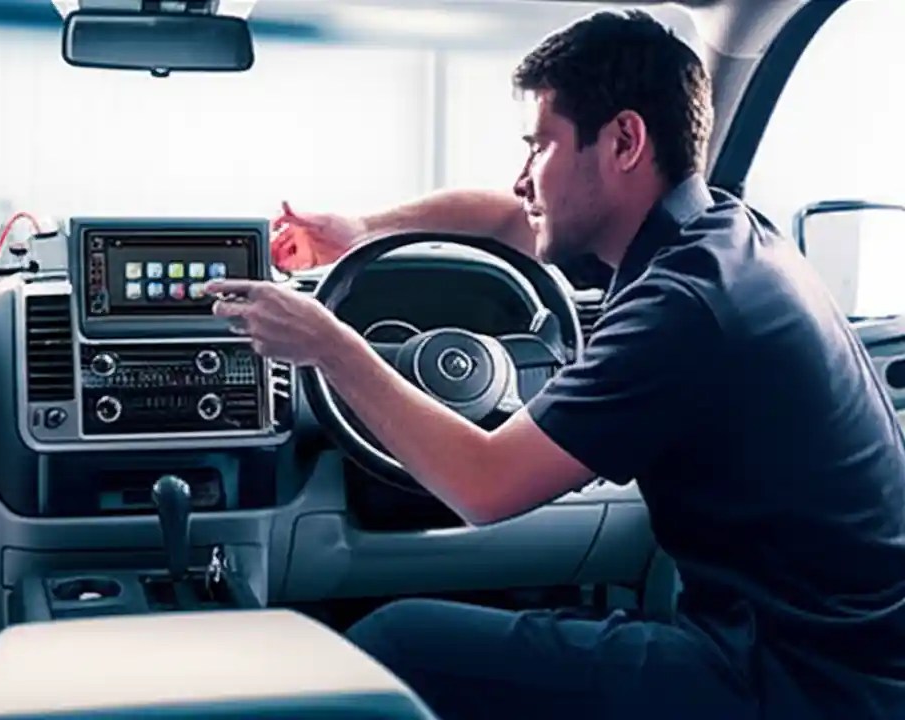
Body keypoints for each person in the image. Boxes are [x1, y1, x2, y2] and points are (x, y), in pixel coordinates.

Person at [206, 9, 905, 720]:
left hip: (796, 683)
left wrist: (328, 344)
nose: (521, 177)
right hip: (836, 658)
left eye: (539, 145)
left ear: (624, 142)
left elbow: (483, 485)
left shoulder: (683, 307)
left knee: (396, 643)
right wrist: (364, 231)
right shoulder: (720, 235)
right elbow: (516, 221)